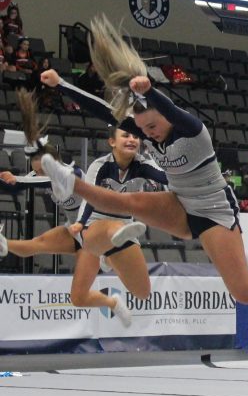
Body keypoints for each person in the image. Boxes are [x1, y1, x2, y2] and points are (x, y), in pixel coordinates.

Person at [36, 15, 248, 304]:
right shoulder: (147, 128)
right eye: (144, 129)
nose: (149, 134)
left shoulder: (193, 131)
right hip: (179, 203)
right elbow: (105, 112)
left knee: (244, 293)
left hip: (213, 212)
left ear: (163, 116)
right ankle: (68, 180)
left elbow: (171, 109)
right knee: (126, 201)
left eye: (153, 127)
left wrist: (151, 91)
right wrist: (60, 84)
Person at [0, 90, 161, 326]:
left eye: (45, 169)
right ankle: (112, 301)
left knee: (117, 246)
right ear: (112, 141)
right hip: (79, 230)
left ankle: (108, 255)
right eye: (38, 171)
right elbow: (40, 179)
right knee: (71, 288)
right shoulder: (89, 167)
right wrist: (21, 178)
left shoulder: (71, 174)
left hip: (93, 225)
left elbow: (66, 186)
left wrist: (20, 179)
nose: (41, 174)